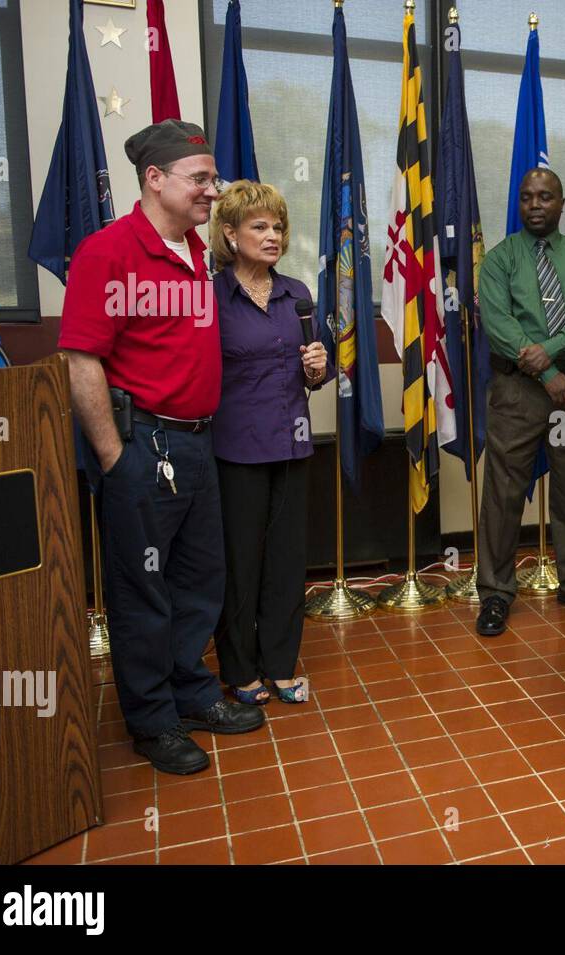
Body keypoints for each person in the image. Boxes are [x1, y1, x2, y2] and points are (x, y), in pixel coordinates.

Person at [58, 120, 265, 775]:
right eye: (200, 179)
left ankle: (193, 693)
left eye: (212, 176)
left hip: (197, 446)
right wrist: (115, 458)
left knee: (199, 583)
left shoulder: (195, 248)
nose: (213, 190)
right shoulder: (107, 251)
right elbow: (80, 357)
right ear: (155, 179)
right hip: (143, 446)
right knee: (142, 590)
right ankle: (151, 721)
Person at [474, 168, 565, 636]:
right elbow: (499, 324)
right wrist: (546, 371)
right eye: (528, 197)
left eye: (545, 197)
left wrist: (551, 355)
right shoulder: (499, 260)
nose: (536, 204)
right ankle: (495, 593)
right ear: (519, 203)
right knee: (503, 491)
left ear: (561, 203)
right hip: (517, 390)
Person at [209, 181, 327, 705]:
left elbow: (310, 376)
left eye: (278, 226)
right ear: (230, 234)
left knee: (285, 562)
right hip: (235, 450)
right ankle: (240, 670)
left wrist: (319, 372)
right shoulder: (211, 295)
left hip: (292, 445)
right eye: (259, 226)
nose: (273, 235)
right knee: (240, 563)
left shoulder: (297, 294)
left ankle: (281, 665)